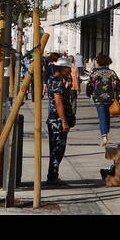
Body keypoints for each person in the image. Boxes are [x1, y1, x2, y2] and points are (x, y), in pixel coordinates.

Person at [45, 57, 76, 187]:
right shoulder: (57, 82)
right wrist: (64, 121)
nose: (70, 72)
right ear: (62, 69)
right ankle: (52, 176)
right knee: (58, 149)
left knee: (56, 149)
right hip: (57, 120)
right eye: (68, 69)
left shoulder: (54, 79)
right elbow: (58, 103)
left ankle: (53, 175)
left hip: (54, 119)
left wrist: (67, 87)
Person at [87, 53, 120, 147]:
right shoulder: (111, 72)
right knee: (107, 117)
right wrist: (116, 95)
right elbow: (118, 84)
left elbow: (90, 84)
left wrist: (90, 93)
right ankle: (106, 132)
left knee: (102, 117)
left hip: (98, 98)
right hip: (110, 97)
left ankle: (104, 137)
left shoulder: (95, 73)